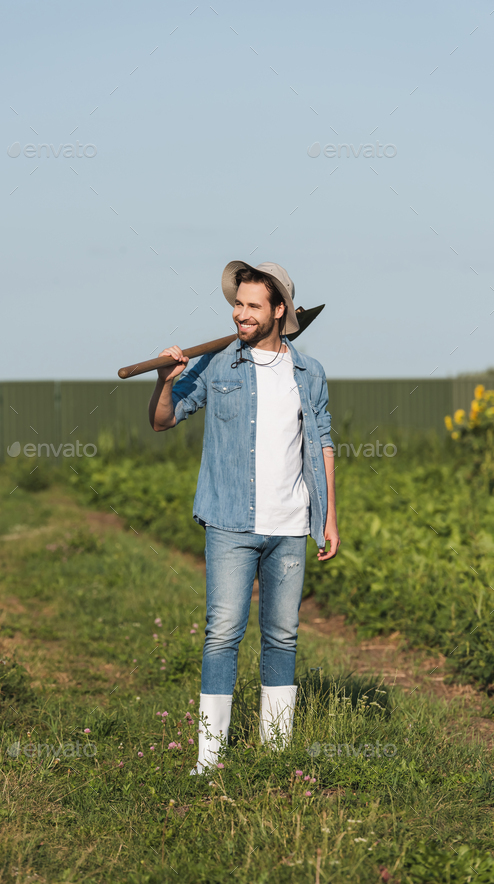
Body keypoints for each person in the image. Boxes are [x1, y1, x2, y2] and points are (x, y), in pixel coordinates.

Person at [148, 260, 340, 773]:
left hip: (290, 525)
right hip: (230, 521)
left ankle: (276, 753)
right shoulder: (215, 366)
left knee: (282, 636)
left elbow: (322, 443)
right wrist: (167, 381)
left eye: (253, 305)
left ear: (280, 311)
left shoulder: (310, 373)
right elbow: (162, 420)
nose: (240, 314)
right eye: (238, 303)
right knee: (222, 634)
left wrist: (329, 517)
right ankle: (209, 761)